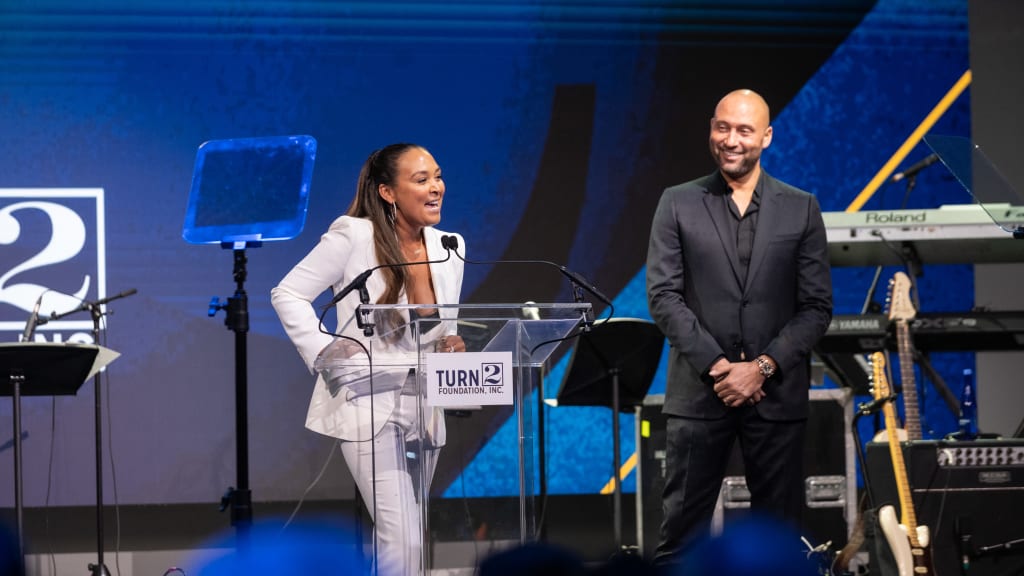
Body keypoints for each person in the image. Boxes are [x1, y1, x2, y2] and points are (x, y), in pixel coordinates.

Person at [645, 89, 832, 566]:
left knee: (779, 545)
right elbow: (663, 297)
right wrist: (722, 367)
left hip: (776, 399)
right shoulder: (677, 202)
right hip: (699, 397)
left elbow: (816, 308)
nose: (730, 140)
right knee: (680, 543)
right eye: (722, 127)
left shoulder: (802, 207)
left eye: (744, 130)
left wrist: (762, 368)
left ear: (766, 137)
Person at [271, 143, 466, 576]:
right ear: (388, 192)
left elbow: (443, 328)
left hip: (425, 406)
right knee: (402, 536)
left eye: (437, 176)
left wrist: (452, 342)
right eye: (421, 180)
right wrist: (324, 348)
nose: (436, 188)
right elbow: (288, 293)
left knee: (412, 532)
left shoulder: (450, 246)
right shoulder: (353, 236)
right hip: (367, 401)